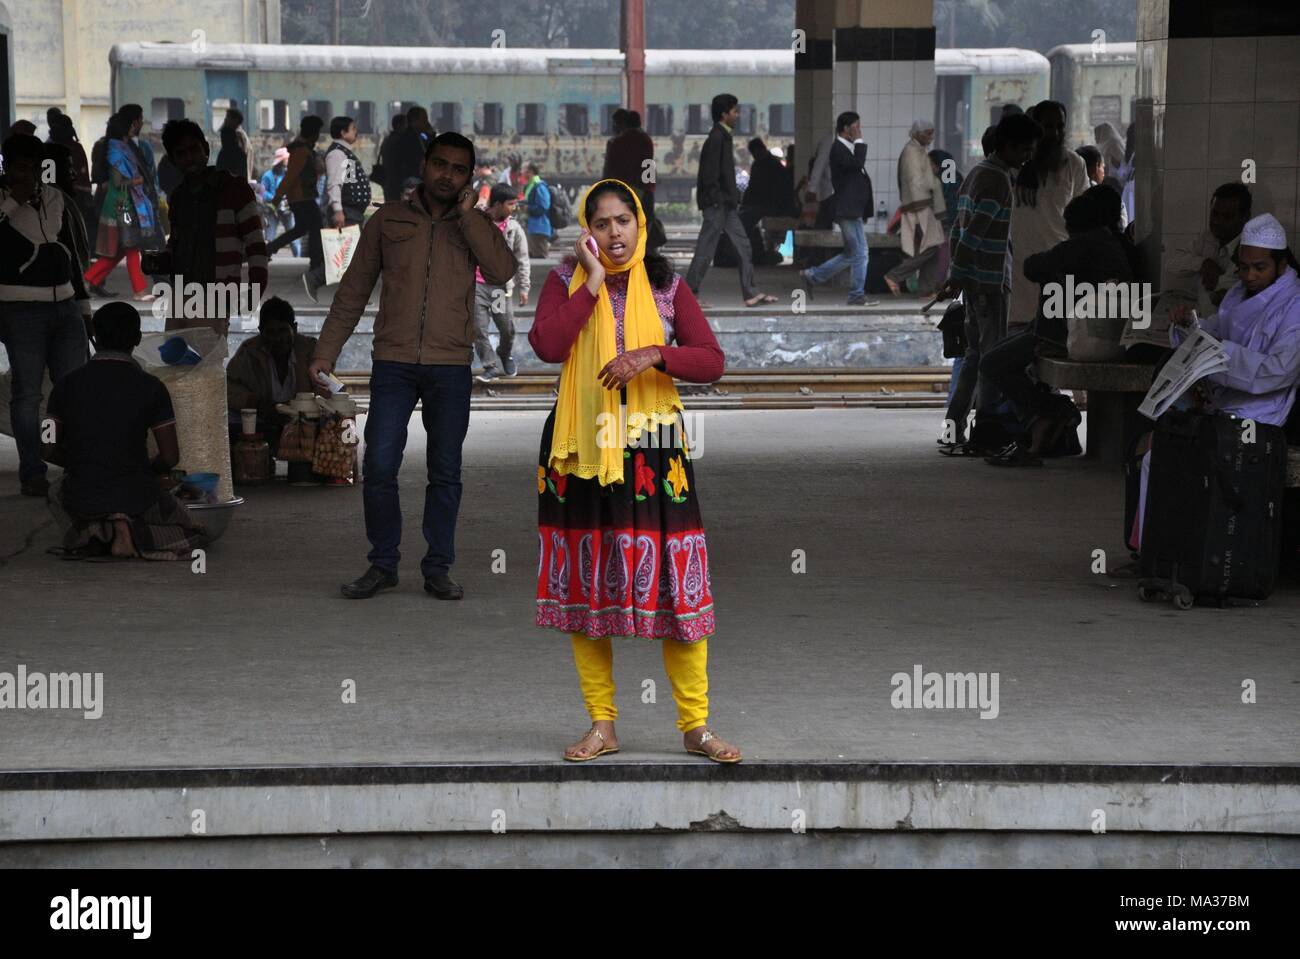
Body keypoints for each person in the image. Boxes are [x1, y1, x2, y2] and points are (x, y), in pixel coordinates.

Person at [528, 177, 739, 764]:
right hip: (579, 453)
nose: (614, 233)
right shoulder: (563, 282)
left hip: (654, 454)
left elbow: (712, 360)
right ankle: (602, 724)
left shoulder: (666, 285)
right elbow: (546, 344)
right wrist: (591, 286)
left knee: (677, 584)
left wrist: (654, 354)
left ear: (639, 224)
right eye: (602, 223)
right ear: (586, 232)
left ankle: (695, 725)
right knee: (589, 587)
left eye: (624, 220)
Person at [308, 132, 516, 601]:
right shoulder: (389, 220)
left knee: (445, 470)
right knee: (379, 464)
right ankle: (383, 563)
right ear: (424, 165)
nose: (447, 175)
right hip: (394, 362)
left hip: (449, 366)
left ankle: (438, 566)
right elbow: (354, 291)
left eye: (459, 169)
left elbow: (502, 270)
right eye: (440, 164)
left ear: (469, 177)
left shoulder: (475, 224)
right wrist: (325, 352)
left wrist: (468, 215)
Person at [1135, 215, 1300, 547]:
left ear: (1281, 265)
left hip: (1261, 412)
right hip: (1223, 402)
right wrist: (1188, 326)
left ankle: (1173, 550)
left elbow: (1279, 371)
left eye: (1259, 268)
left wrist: (1222, 355)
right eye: (1244, 267)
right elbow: (1214, 331)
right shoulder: (1239, 295)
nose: (1250, 276)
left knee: (1176, 458)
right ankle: (1157, 551)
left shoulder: (1294, 306)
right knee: (1157, 451)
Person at [42, 301, 208, 560]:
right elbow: (170, 457)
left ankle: (97, 533)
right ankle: (131, 531)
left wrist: (81, 463)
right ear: (138, 338)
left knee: (54, 492)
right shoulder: (152, 388)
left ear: (94, 335)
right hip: (137, 493)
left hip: (83, 491)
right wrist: (141, 470)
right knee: (196, 532)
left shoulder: (65, 386)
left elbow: (47, 447)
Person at [980, 186, 1134, 466]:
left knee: (991, 362)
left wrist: (1058, 265)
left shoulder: (1087, 243)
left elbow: (1032, 266)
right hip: (1098, 332)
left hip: (1075, 336)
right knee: (1006, 350)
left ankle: (1050, 411)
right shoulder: (1113, 241)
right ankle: (1046, 421)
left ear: (1074, 226)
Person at [934, 111, 1041, 453]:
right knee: (992, 360)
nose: (1028, 157)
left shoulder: (977, 173)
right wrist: (956, 275)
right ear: (1007, 146)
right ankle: (986, 431)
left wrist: (958, 274)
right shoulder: (997, 181)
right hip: (990, 282)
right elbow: (976, 234)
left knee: (973, 356)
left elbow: (958, 229)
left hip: (974, 283)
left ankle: (953, 429)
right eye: (1025, 150)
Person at [0, 134, 93, 497]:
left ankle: (73, 460)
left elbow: (70, 255)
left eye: (30, 168)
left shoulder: (55, 199)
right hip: (20, 310)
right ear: (6, 166)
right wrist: (13, 202)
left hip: (66, 307)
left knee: (73, 389)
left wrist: (84, 309)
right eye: (16, 167)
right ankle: (32, 469)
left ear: (41, 170)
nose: (23, 175)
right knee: (27, 394)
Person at [1122, 183, 1252, 360]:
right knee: (1137, 350)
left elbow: (1223, 290)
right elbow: (1172, 264)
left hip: (1233, 341)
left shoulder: (1248, 248)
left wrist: (1218, 286)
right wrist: (1202, 263)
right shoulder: (1208, 238)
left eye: (1227, 216)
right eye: (1215, 214)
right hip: (1204, 329)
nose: (1218, 221)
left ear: (1244, 218)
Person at [684, 94, 776, 308]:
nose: (738, 114)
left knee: (744, 246)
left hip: (726, 204)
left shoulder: (723, 136)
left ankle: (751, 293)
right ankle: (689, 295)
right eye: (734, 111)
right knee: (705, 251)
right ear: (724, 114)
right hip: (718, 204)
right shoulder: (717, 138)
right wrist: (717, 199)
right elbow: (710, 175)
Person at [1006, 100, 1090, 332]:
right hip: (1019, 270)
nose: (1054, 133)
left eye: (1059, 126)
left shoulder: (1074, 164)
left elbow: (1084, 217)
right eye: (1047, 126)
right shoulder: (1015, 166)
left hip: (1059, 267)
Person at [798, 111, 876, 306]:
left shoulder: (846, 149)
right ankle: (857, 294)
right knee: (861, 252)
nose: (859, 131)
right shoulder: (839, 149)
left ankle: (813, 275)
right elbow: (858, 164)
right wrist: (859, 142)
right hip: (846, 209)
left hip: (852, 209)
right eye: (856, 127)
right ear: (846, 129)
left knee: (852, 253)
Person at [226, 295, 318, 448]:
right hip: (262, 424)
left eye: (283, 330)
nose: (277, 338)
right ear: (261, 331)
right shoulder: (249, 352)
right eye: (270, 332)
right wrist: (257, 404)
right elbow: (228, 388)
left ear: (294, 329)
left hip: (304, 424)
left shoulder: (310, 350)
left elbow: (325, 387)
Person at [81, 114, 154, 302]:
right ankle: (139, 290)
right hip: (122, 207)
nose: (136, 126)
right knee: (131, 248)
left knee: (117, 252)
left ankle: (85, 281)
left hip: (121, 205)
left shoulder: (118, 148)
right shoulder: (117, 152)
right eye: (132, 123)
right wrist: (137, 180)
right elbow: (117, 181)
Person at [473, 183, 530, 382]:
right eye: (511, 204)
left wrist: (524, 287)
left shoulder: (513, 229)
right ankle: (490, 366)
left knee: (506, 328)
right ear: (497, 204)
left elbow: (522, 259)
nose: (514, 208)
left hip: (498, 289)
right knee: (479, 329)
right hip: (477, 286)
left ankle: (504, 354)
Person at [884, 119, 946, 296]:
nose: (931, 137)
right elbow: (916, 182)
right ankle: (895, 276)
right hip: (920, 207)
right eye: (928, 133)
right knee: (931, 246)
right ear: (918, 133)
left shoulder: (917, 151)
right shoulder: (912, 152)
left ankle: (926, 288)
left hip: (922, 206)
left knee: (931, 247)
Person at [267, 115, 326, 300]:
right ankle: (316, 265)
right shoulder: (301, 151)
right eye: (317, 133)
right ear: (314, 133)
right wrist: (276, 199)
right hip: (301, 198)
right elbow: (291, 176)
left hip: (301, 197)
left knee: (301, 228)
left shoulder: (304, 149)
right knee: (316, 227)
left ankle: (270, 248)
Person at [739, 137, 797, 266]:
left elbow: (758, 189)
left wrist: (745, 203)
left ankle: (750, 252)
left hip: (769, 205)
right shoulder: (772, 164)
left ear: (758, 151)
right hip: (770, 204)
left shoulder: (765, 165)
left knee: (744, 220)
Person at [116, 104, 164, 253]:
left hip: (123, 206)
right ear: (135, 123)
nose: (143, 123)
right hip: (142, 206)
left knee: (126, 250)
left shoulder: (113, 147)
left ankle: (93, 276)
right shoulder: (143, 147)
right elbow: (152, 179)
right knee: (157, 247)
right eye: (141, 119)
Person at [602, 109, 657, 228]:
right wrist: (650, 188)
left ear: (621, 124)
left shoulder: (616, 142)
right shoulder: (646, 140)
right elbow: (648, 164)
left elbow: (609, 170)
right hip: (642, 189)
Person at [45, 108, 94, 232]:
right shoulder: (76, 148)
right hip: (72, 200)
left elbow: (46, 179)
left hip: (57, 200)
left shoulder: (48, 148)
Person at [384, 105, 434, 204]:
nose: (426, 122)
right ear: (415, 120)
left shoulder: (415, 136)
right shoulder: (410, 138)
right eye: (423, 119)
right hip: (412, 179)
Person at [258, 147, 298, 253]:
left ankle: (298, 258)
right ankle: (265, 256)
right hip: (271, 210)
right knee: (269, 237)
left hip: (288, 210)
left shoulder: (290, 173)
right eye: (287, 159)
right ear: (282, 161)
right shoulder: (268, 176)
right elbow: (262, 192)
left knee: (294, 238)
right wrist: (273, 198)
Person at [523, 161, 554, 259]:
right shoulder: (531, 185)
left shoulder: (539, 186)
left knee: (540, 257)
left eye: (524, 169)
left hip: (539, 228)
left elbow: (544, 206)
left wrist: (528, 208)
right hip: (532, 228)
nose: (522, 172)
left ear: (530, 172)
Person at [215, 108, 254, 182]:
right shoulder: (234, 150)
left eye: (227, 117)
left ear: (235, 120)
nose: (225, 120)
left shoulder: (234, 142)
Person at [376, 113, 407, 203]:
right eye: (405, 124)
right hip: (397, 181)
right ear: (399, 125)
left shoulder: (387, 139)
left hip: (387, 181)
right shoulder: (400, 140)